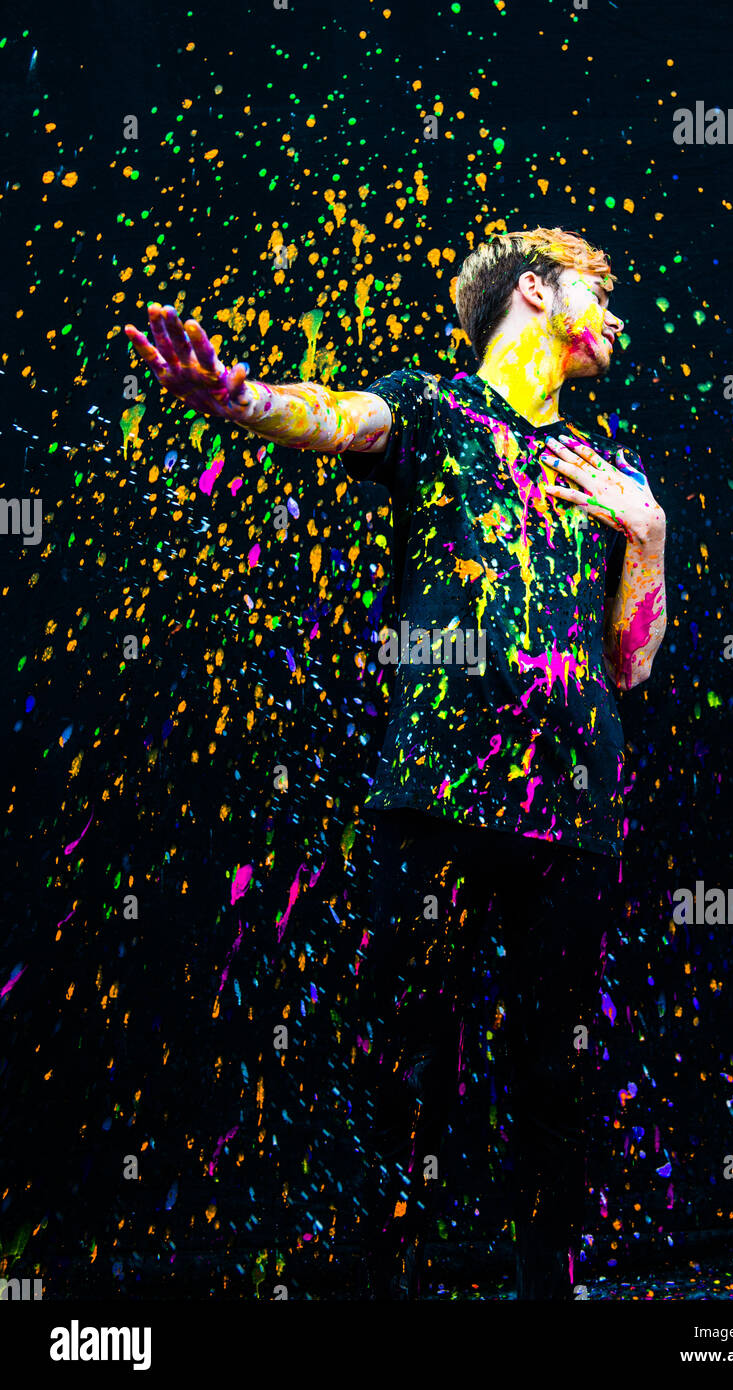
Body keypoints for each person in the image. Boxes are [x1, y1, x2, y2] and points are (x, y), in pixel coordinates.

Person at [124, 226, 667, 1299]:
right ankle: (376, 1277)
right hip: (440, 794)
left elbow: (632, 664)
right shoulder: (432, 408)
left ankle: (547, 1283)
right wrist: (235, 398)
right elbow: (330, 416)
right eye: (596, 292)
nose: (614, 316)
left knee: (555, 1067)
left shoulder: (614, 471)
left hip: (573, 808)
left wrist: (645, 534)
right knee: (402, 1053)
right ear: (533, 293)